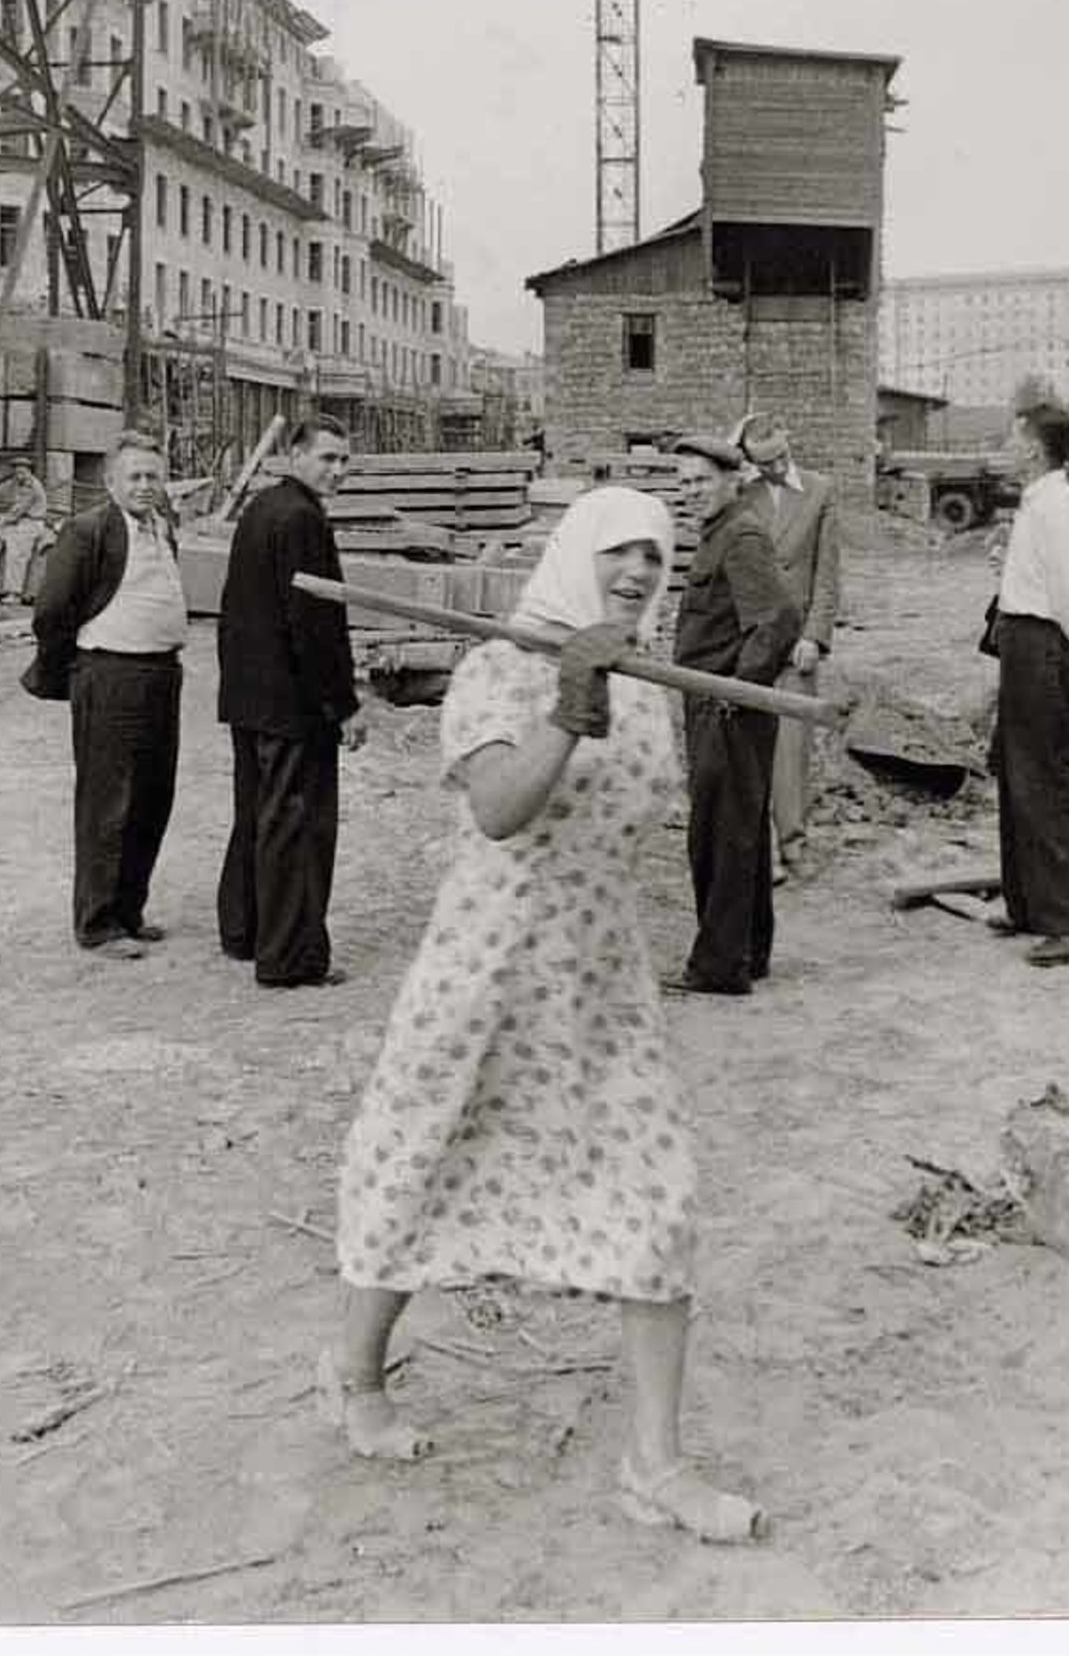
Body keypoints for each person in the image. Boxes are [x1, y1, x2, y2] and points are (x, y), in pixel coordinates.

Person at [323, 488, 763, 1543]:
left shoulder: (645, 681)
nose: (635, 574)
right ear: (575, 556)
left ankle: (654, 1467)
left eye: (654, 561)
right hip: (487, 963)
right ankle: (354, 1377)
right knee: (422, 1164)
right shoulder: (495, 669)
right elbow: (498, 810)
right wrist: (567, 707)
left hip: (601, 975)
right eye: (617, 554)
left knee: (655, 1199)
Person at [216, 417, 366, 989]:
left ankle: (244, 932)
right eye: (328, 459)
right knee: (297, 828)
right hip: (293, 704)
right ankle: (290, 958)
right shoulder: (302, 518)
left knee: (257, 815)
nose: (338, 472)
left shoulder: (261, 507)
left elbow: (236, 605)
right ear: (295, 456)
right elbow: (314, 624)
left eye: (345, 461)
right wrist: (342, 704)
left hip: (252, 697)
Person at [29, 431, 188, 958]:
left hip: (161, 676)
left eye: (154, 476)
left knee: (151, 798)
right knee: (107, 802)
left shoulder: (164, 529)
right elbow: (52, 610)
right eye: (135, 477)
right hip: (110, 675)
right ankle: (97, 923)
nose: (146, 486)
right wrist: (75, 670)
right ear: (112, 482)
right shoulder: (87, 530)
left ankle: (128, 911)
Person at [665, 433, 801, 997]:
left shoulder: (741, 534)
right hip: (717, 702)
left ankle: (719, 965)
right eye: (684, 483)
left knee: (719, 833)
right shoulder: (720, 530)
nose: (691, 492)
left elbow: (776, 621)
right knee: (739, 830)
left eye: (700, 481)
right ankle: (748, 950)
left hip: (729, 708)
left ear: (731, 479)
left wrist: (736, 691)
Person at [986, 400, 1069, 965]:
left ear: (1034, 449)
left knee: (1053, 784)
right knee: (1019, 779)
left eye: (1013, 441)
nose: (1006, 450)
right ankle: (1030, 904)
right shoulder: (1040, 503)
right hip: (1026, 648)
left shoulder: (1057, 506)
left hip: (1047, 652)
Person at [734, 413, 840, 881]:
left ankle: (794, 842)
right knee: (749, 744)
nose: (776, 468)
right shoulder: (742, 495)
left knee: (793, 745)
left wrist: (814, 635)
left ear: (788, 443)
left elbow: (827, 574)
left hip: (797, 643)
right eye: (764, 463)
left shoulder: (820, 491)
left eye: (780, 457)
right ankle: (762, 852)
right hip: (752, 641)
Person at [0, 457, 52, 601]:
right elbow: (16, 506)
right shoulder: (23, 484)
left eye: (22, 472)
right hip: (28, 522)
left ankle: (13, 593)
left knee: (16, 556)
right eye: (16, 472)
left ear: (29, 471)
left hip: (30, 524)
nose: (18, 475)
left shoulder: (30, 485)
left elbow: (21, 508)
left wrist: (5, 520)